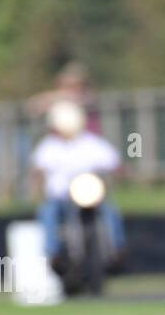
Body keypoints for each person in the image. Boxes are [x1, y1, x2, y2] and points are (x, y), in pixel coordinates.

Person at [30, 100, 125, 267]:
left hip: (89, 196)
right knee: (47, 212)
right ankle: (53, 254)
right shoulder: (49, 146)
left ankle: (117, 249)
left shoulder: (91, 142)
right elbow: (38, 168)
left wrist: (119, 172)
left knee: (110, 212)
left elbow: (112, 161)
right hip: (60, 198)